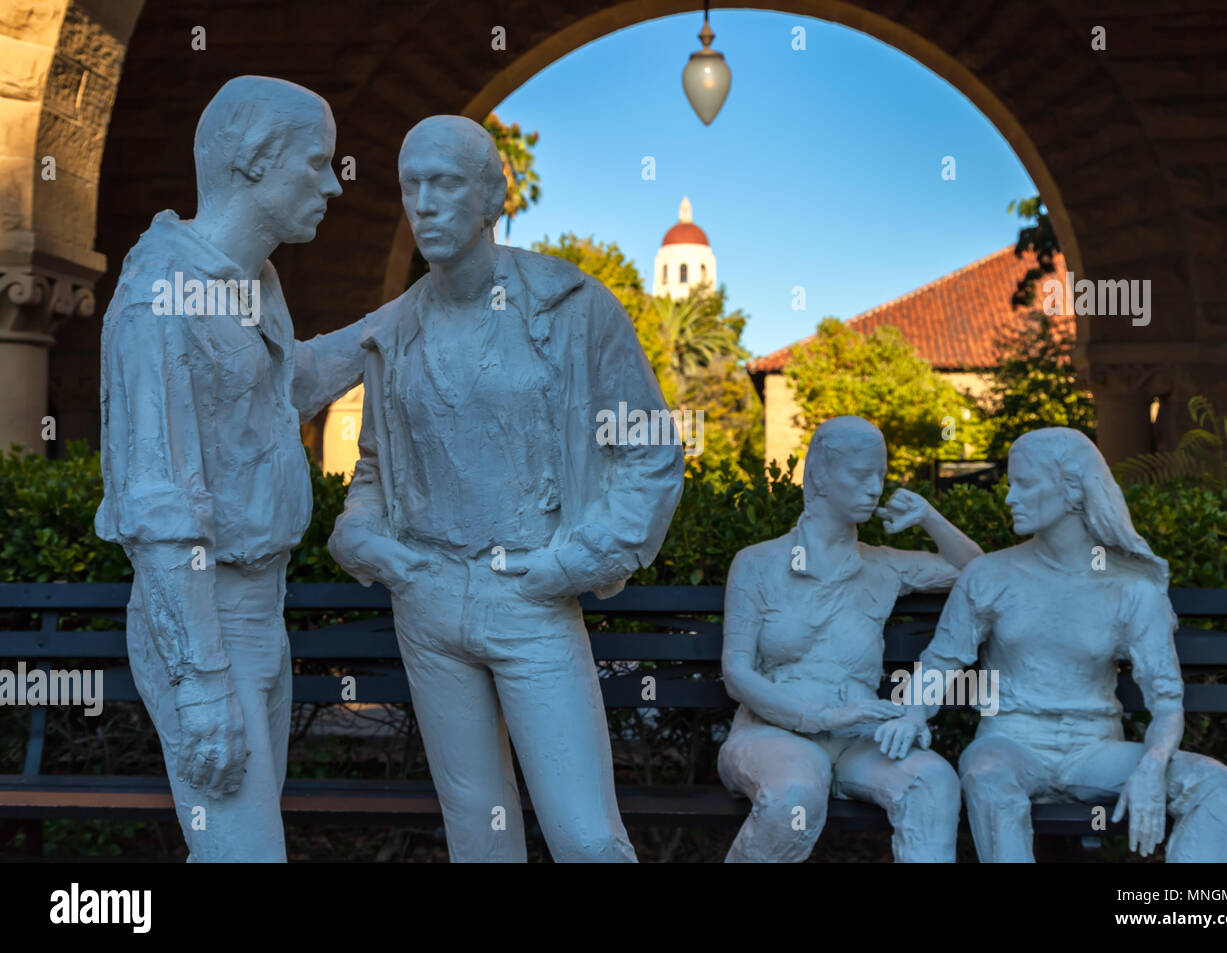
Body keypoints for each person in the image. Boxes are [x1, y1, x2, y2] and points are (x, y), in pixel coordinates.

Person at [328, 115, 684, 862]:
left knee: (586, 838)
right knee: (477, 837)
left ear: (492, 195)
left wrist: (572, 562)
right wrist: (369, 539)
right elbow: (376, 468)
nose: (423, 204)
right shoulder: (394, 332)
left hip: (531, 593)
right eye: (409, 185)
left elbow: (650, 452)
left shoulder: (572, 307)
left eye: (446, 183)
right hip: (424, 599)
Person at [96, 76, 369, 861]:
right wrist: (201, 679)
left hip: (258, 611)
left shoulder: (252, 282)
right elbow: (157, 506)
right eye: (316, 164)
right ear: (254, 162)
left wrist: (392, 323)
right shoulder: (160, 298)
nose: (331, 185)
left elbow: (286, 392)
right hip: (203, 621)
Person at [897, 427, 1227, 862]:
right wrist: (912, 714)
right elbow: (942, 661)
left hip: (1095, 751)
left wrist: (1153, 766)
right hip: (1009, 743)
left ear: (1072, 489)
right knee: (987, 776)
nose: (1009, 498)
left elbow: (1167, 703)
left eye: (1025, 484)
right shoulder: (990, 576)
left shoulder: (1132, 591)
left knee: (1215, 783)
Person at [718, 416, 980, 862]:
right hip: (772, 734)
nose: (875, 487)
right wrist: (821, 717)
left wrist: (930, 519)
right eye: (860, 474)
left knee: (933, 783)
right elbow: (736, 674)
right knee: (794, 797)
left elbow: (979, 576)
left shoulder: (884, 565)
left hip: (860, 738)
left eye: (879, 474)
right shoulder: (758, 564)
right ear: (819, 475)